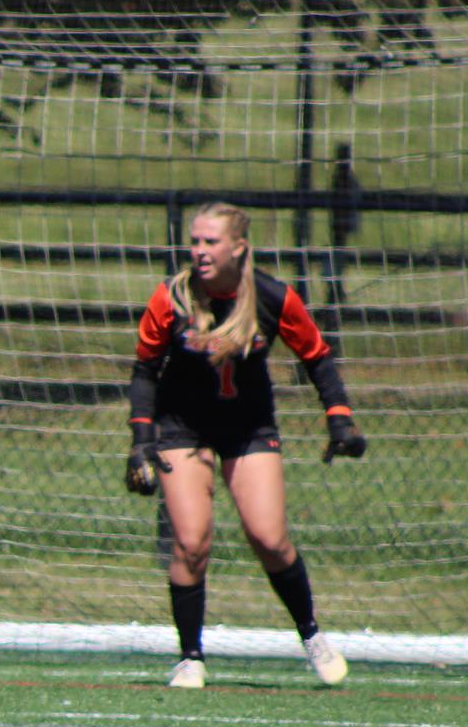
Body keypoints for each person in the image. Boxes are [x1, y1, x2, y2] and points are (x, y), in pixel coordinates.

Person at [124, 201, 367, 689]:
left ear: (239, 247)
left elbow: (317, 358)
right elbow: (145, 369)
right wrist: (141, 439)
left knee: (269, 539)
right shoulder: (171, 298)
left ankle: (311, 635)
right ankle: (190, 657)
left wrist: (340, 421)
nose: (199, 250)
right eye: (195, 241)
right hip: (182, 428)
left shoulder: (273, 297)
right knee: (191, 542)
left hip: (248, 427)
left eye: (210, 242)